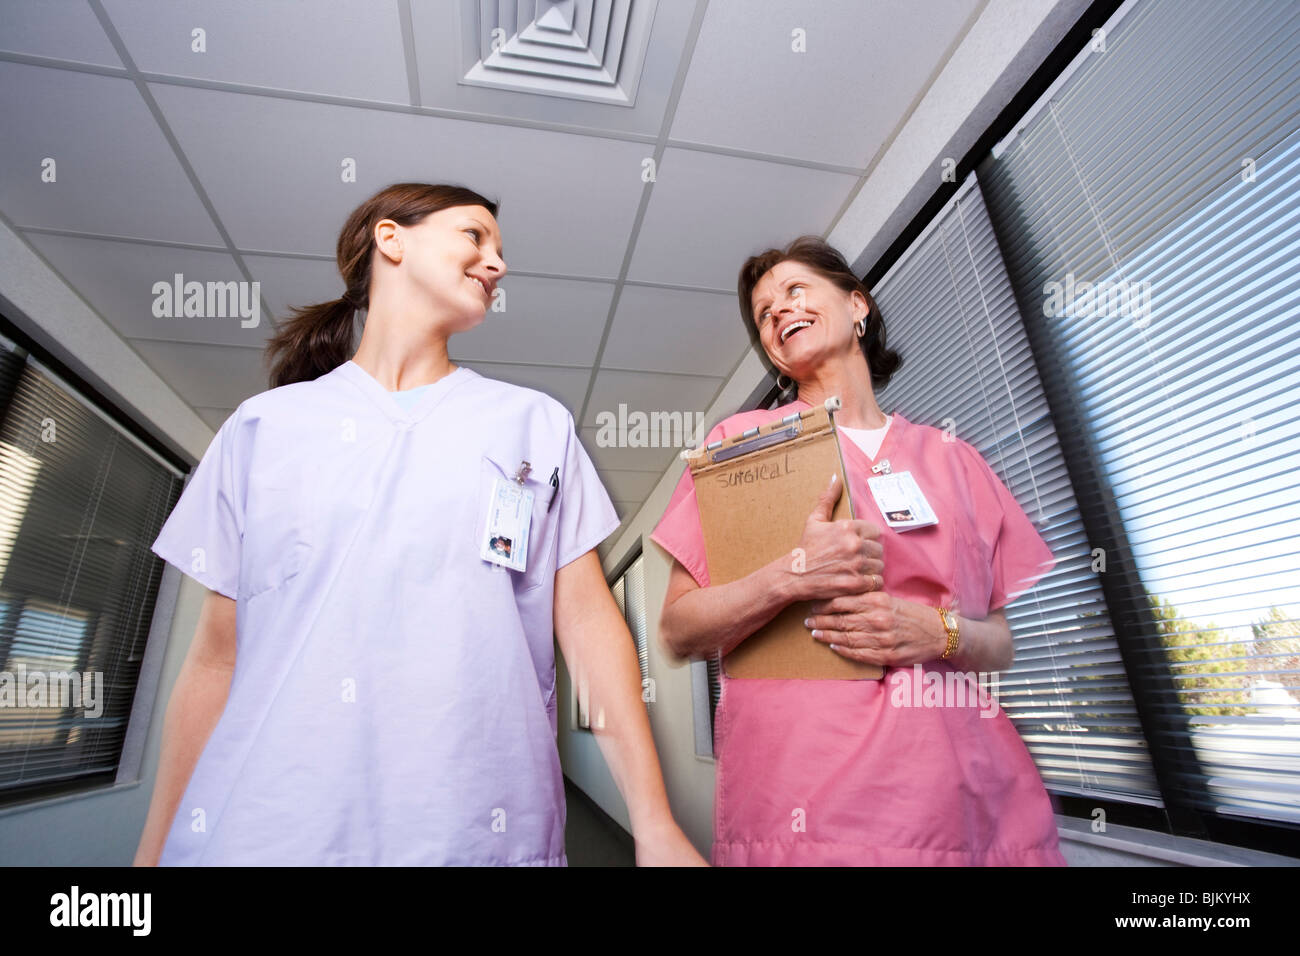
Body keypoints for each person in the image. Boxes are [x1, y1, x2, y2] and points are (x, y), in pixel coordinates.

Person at [135, 183, 705, 866]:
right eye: (475, 236)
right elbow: (215, 659)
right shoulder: (263, 429)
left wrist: (654, 823)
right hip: (269, 826)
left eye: (499, 249)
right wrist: (151, 854)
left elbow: (585, 624)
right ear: (390, 239)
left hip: (475, 827)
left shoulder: (531, 425)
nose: (497, 264)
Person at [651, 235, 1065, 866]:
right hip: (813, 792)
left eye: (794, 290)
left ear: (857, 305)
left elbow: (1000, 642)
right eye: (764, 313)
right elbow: (680, 630)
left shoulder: (955, 459)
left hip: (966, 781)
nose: (778, 312)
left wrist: (940, 632)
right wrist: (793, 576)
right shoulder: (743, 443)